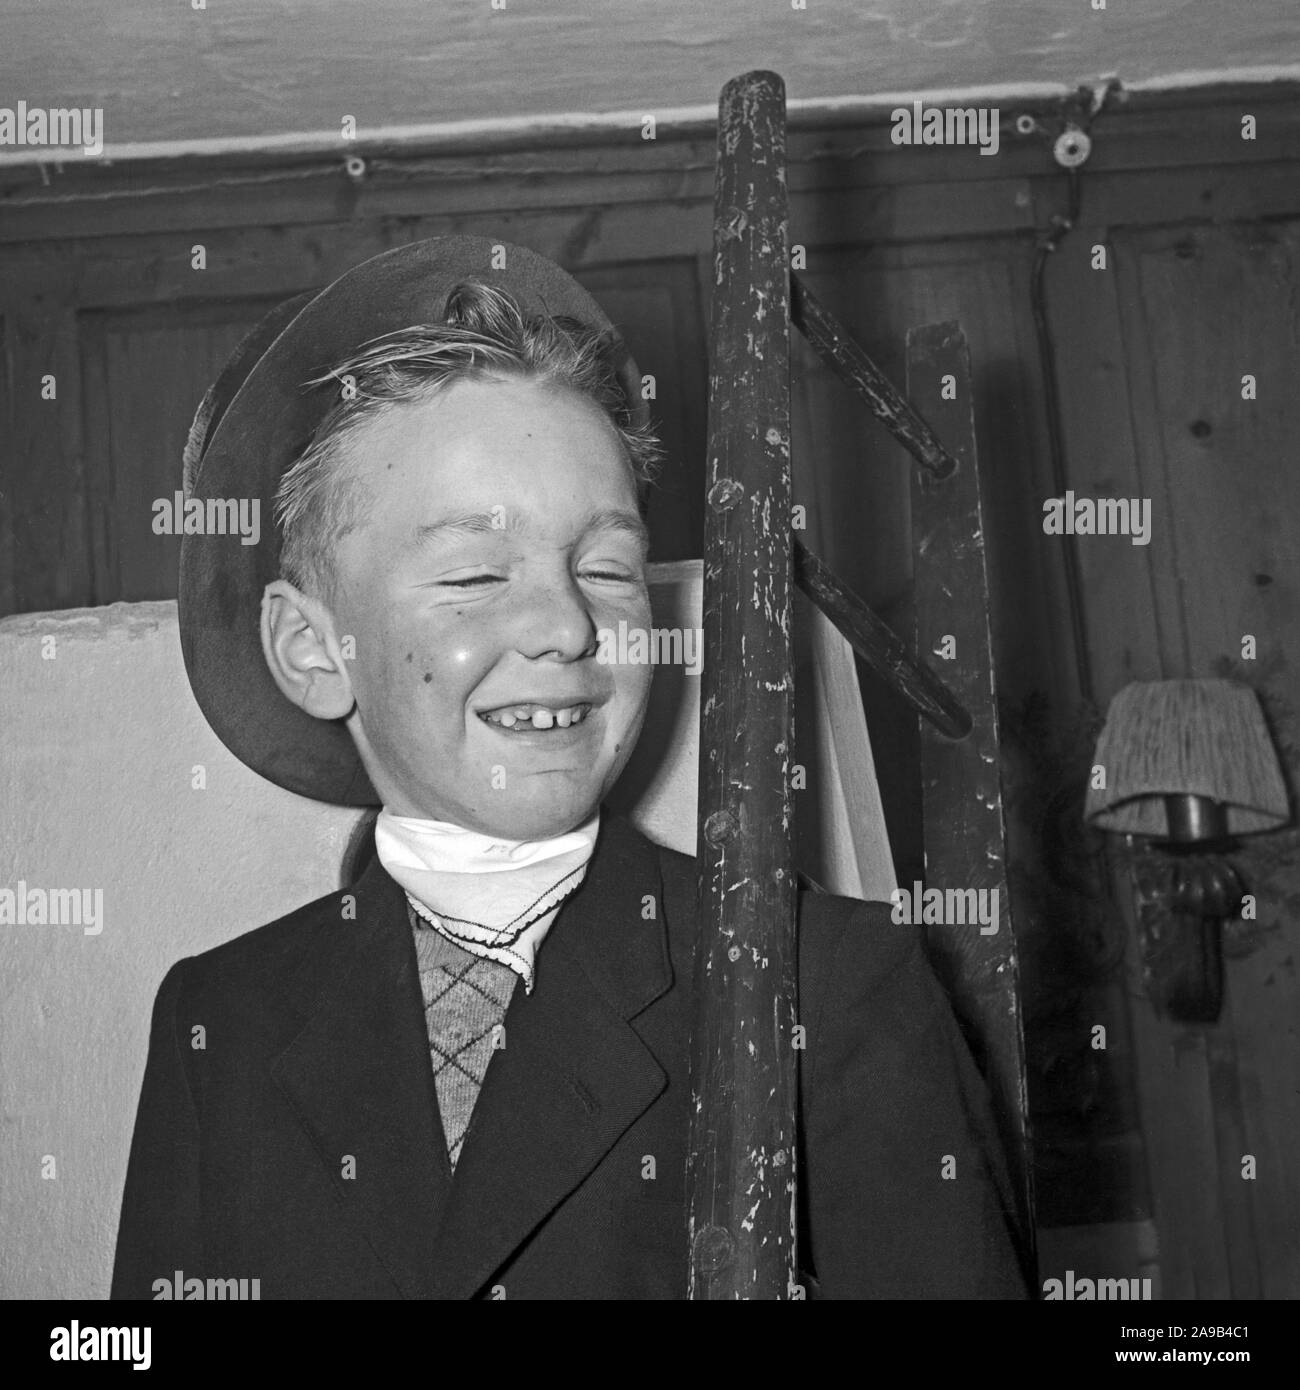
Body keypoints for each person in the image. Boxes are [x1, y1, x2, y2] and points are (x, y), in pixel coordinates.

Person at [110, 235, 1028, 1300]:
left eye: (605, 566)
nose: (564, 624)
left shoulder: (822, 978)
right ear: (316, 652)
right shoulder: (222, 1018)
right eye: (472, 572)